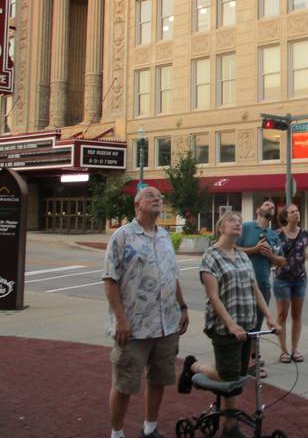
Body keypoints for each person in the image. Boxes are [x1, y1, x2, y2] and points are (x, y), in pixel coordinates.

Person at [178, 211, 280, 438]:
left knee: (237, 378)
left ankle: (229, 427)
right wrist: (231, 325)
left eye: (240, 222)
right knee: (229, 376)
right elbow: (213, 297)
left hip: (247, 325)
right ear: (220, 227)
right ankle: (193, 367)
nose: (238, 224)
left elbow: (255, 290)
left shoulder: (243, 256)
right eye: (232, 221)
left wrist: (270, 317)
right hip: (224, 328)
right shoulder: (211, 256)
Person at [102, 187, 190, 438]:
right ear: (137, 204)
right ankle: (117, 433)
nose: (157, 199)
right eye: (151, 196)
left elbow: (172, 276)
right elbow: (110, 280)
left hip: (166, 324)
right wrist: (120, 319)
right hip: (133, 327)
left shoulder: (164, 236)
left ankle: (149, 428)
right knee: (124, 384)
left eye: (160, 197)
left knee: (159, 378)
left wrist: (182, 307)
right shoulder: (122, 236)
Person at [236, 199, 286, 377]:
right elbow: (233, 248)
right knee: (245, 322)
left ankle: (253, 357)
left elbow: (281, 261)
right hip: (243, 283)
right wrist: (255, 249)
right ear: (258, 209)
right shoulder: (247, 227)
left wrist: (270, 254)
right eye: (266, 204)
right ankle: (247, 360)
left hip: (263, 285)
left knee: (257, 323)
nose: (270, 207)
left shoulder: (273, 235)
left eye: (273, 206)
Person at [274, 203, 308, 363]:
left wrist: (306, 256)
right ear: (286, 217)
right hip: (282, 280)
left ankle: (295, 349)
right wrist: (276, 260)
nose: (296, 213)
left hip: (300, 279)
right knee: (282, 315)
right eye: (292, 212)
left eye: (297, 210)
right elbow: (270, 252)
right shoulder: (278, 234)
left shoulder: (304, 234)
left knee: (297, 315)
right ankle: (283, 351)